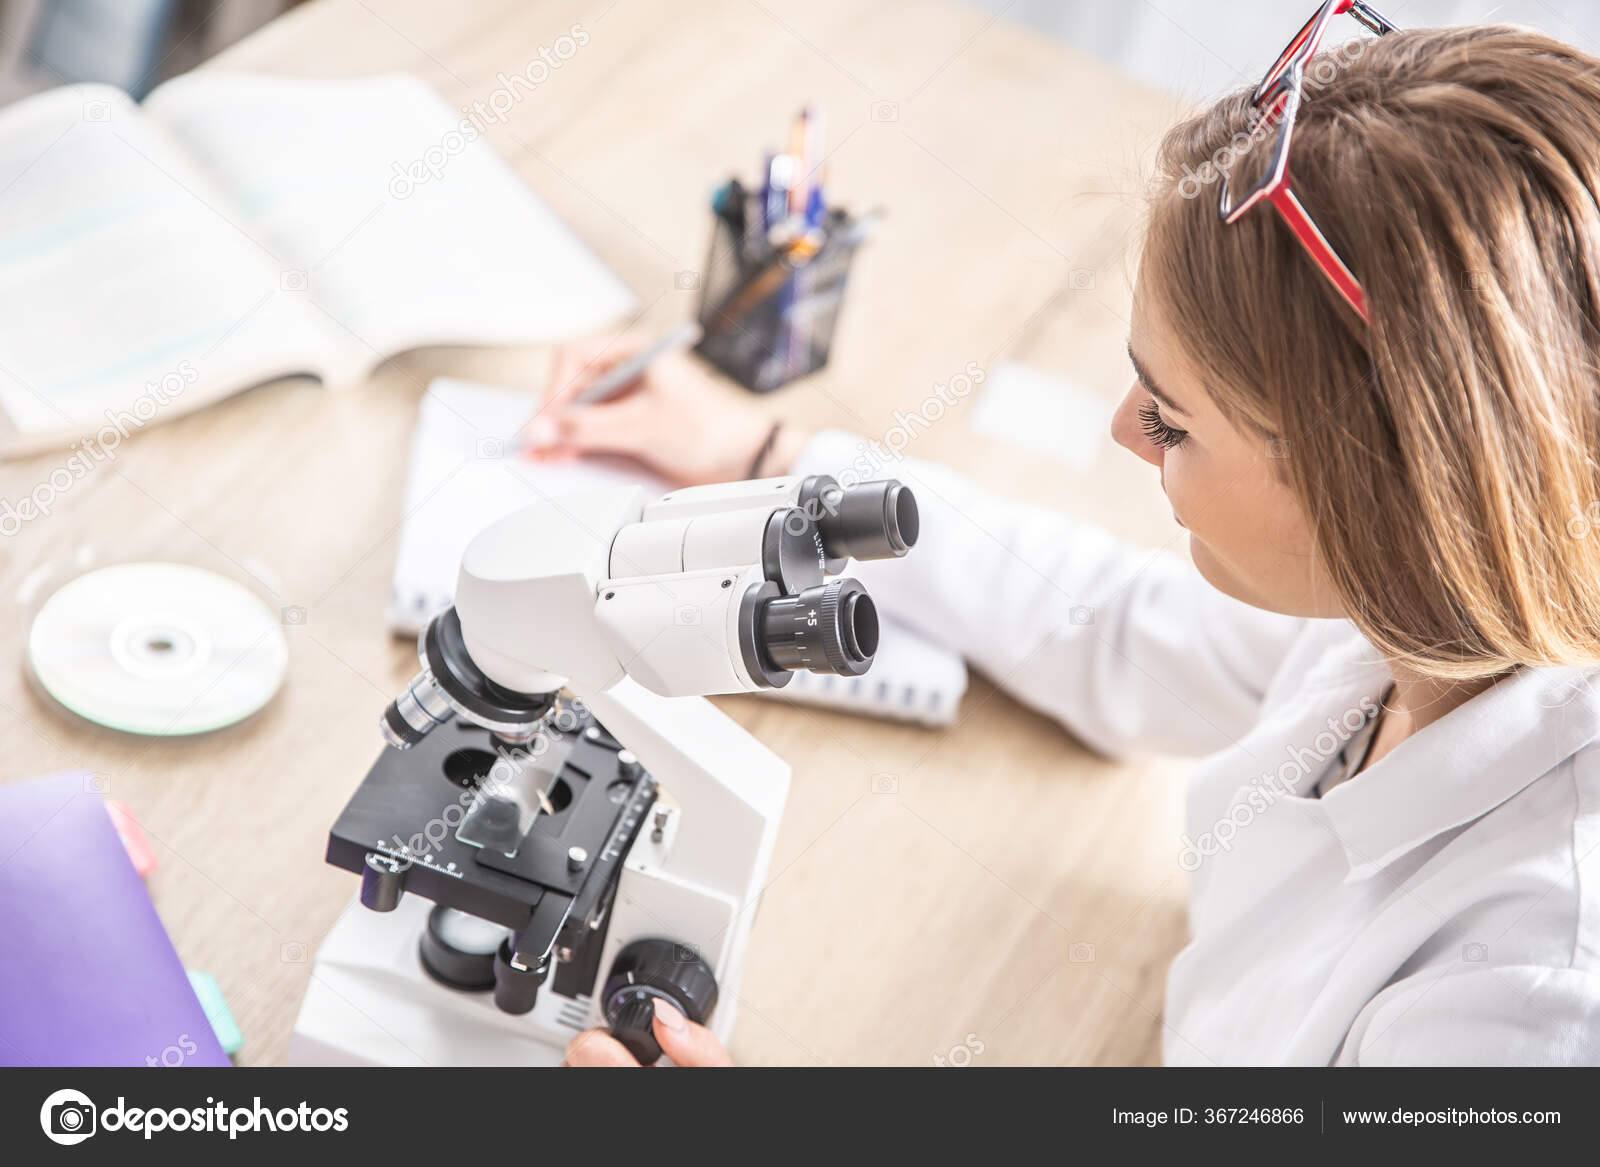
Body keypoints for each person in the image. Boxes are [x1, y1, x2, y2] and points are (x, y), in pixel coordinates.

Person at [559, 9, 1600, 1066]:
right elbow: (1114, 629)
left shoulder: (1530, 995)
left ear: (1383, 494)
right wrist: (779, 461)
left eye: (1173, 420)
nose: (1122, 432)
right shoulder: (1426, 616)